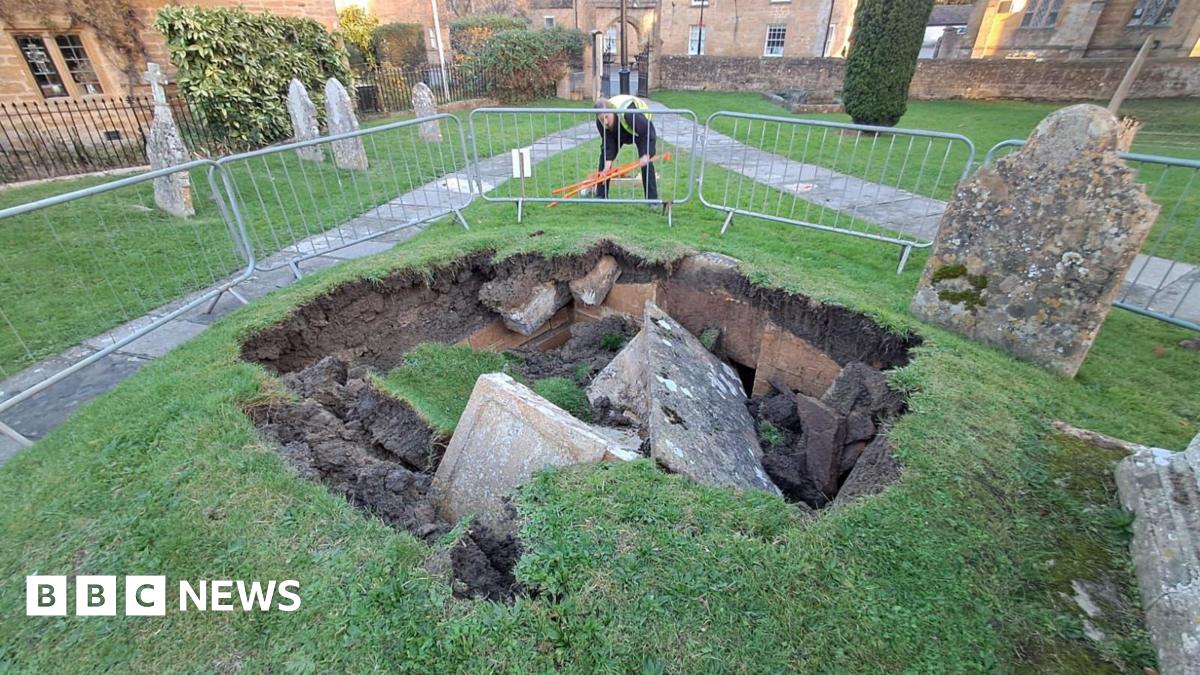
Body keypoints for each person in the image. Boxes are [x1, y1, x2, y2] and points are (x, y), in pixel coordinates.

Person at [593, 95, 658, 201]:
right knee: (604, 160)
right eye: (601, 119)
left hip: (640, 132)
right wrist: (606, 167)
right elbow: (608, 145)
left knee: (646, 163)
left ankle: (652, 200)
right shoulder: (600, 124)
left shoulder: (628, 114)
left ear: (612, 112)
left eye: (606, 117)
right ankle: (601, 196)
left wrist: (647, 154)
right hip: (618, 133)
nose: (605, 122)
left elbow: (647, 131)